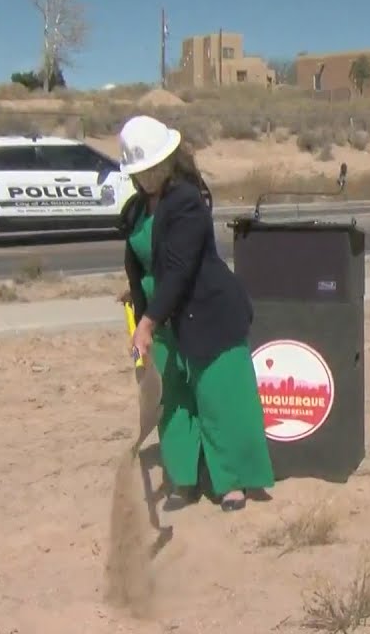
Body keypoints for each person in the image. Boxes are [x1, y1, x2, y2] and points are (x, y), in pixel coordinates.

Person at [117, 115, 273, 512]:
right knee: (174, 399)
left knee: (222, 398)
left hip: (207, 312)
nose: (148, 176)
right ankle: (182, 477)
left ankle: (233, 482)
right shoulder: (135, 209)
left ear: (169, 161)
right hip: (162, 317)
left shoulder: (186, 202)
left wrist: (149, 320)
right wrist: (138, 300)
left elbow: (180, 269)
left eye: (153, 167)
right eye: (140, 171)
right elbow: (142, 262)